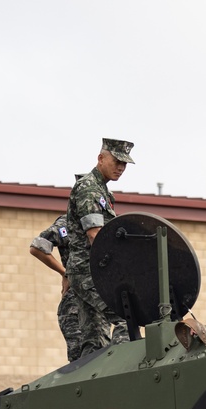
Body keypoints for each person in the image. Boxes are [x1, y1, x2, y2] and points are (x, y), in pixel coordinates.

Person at [64, 138, 135, 358]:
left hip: (87, 270)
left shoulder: (102, 190)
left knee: (94, 338)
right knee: (126, 317)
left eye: (125, 164)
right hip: (88, 270)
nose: (121, 168)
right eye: (117, 161)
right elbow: (95, 235)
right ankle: (125, 366)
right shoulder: (89, 188)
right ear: (101, 158)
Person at [29, 214, 84, 362]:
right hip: (76, 305)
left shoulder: (105, 225)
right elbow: (37, 247)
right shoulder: (71, 222)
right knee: (82, 361)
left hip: (101, 305)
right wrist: (66, 273)